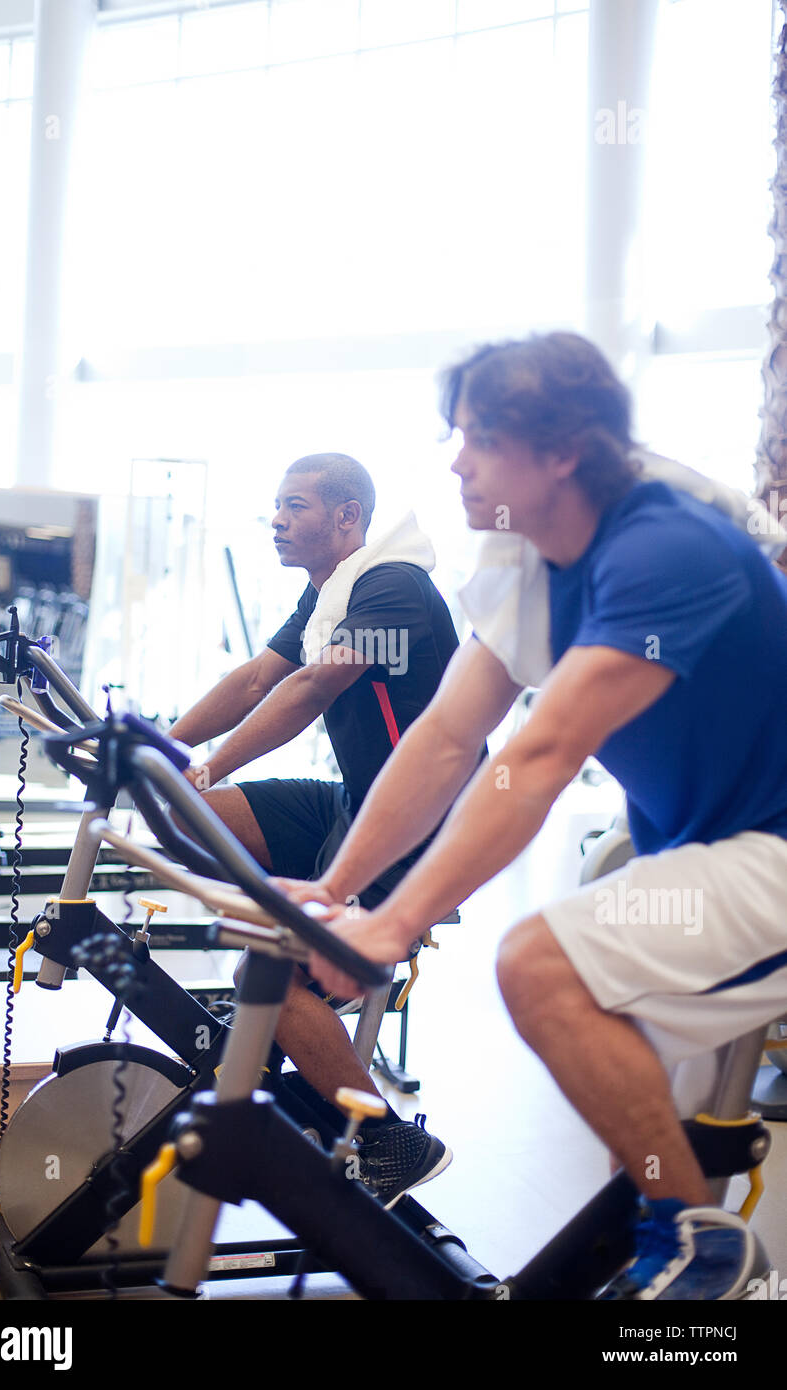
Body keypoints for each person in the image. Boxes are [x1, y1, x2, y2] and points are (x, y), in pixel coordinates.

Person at [296, 333, 787, 1299]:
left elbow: (541, 756)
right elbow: (444, 739)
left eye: (479, 438)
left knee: (539, 962)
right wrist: (334, 891)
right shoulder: (531, 557)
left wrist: (392, 925)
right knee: (641, 1147)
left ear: (562, 451)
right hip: (701, 854)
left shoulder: (665, 550)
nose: (456, 461)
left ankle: (709, 1254)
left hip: (770, 853)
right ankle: (697, 1275)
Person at [170, 452, 463, 1206]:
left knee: (268, 978)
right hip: (352, 802)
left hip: (413, 826)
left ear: (347, 517)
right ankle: (292, 990)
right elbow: (256, 678)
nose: (276, 519)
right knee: (193, 813)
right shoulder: (327, 595)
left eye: (293, 505)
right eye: (276, 505)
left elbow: (311, 684)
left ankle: (386, 1137)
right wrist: (163, 748)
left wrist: (208, 765)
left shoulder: (394, 585)